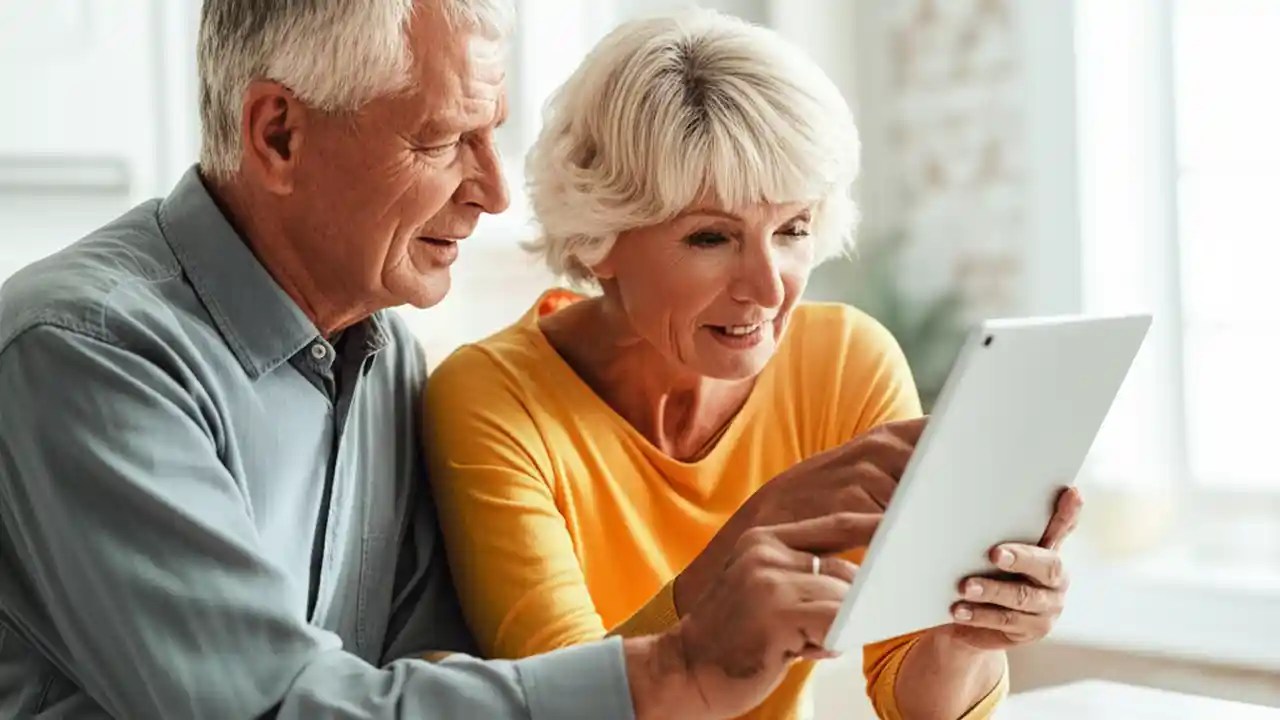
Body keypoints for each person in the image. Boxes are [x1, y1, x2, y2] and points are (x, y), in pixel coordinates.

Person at [0, 2, 889, 718]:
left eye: (491, 133)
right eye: (439, 140)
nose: (494, 192)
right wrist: (682, 667)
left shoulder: (382, 356)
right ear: (278, 135)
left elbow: (442, 668)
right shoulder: (90, 355)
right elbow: (275, 706)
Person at [423, 10, 1082, 720]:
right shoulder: (493, 399)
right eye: (712, 237)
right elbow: (564, 704)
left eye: (793, 229)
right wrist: (754, 532)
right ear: (598, 235)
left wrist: (964, 632)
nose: (769, 289)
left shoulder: (847, 365)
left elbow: (914, 703)